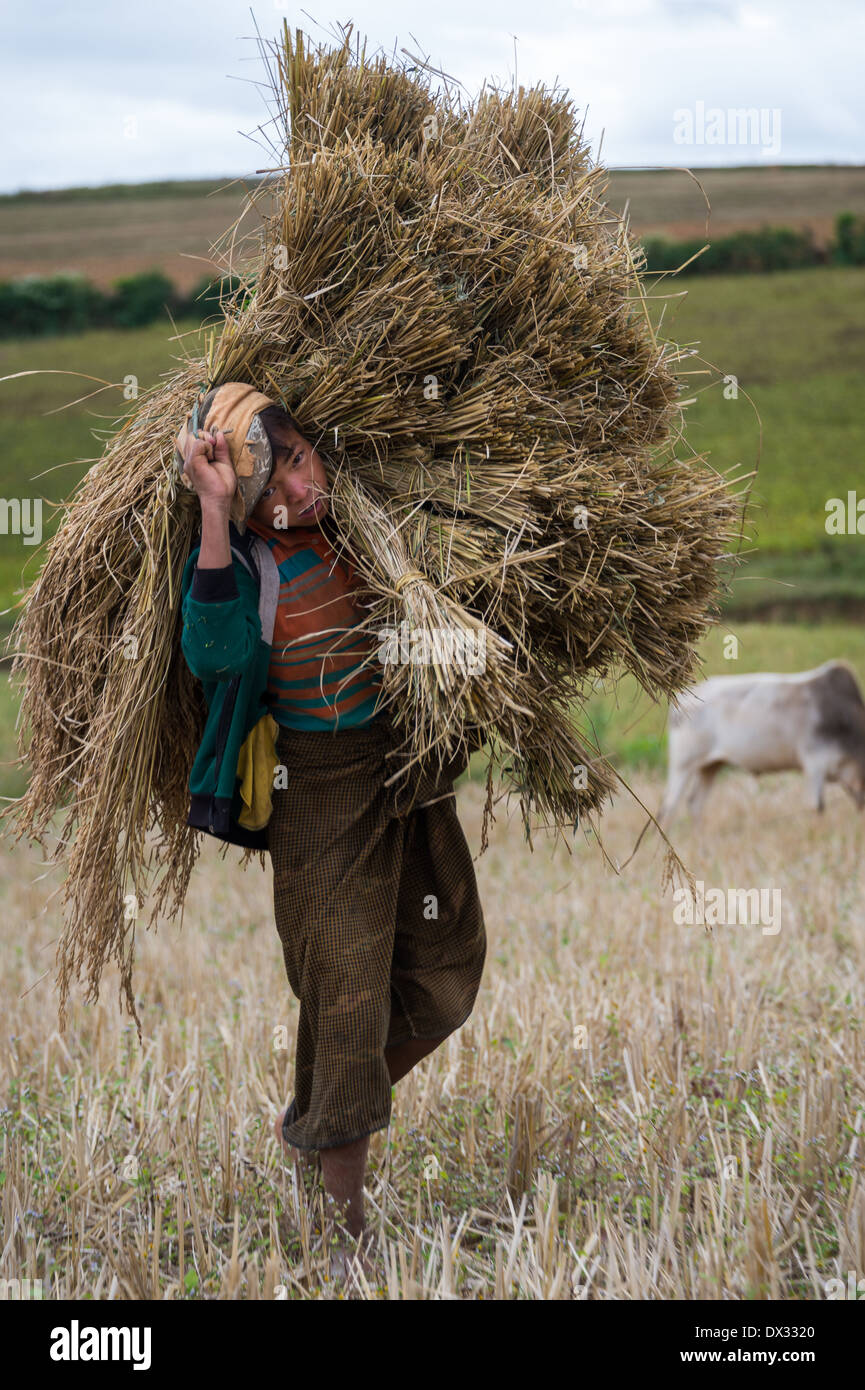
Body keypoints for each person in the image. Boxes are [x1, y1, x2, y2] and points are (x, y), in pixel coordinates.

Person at [177, 384, 487, 1280]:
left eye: (304, 458)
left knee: (447, 972)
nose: (301, 488)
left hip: (405, 772)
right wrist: (211, 506)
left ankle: (314, 1120)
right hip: (315, 791)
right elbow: (218, 657)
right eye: (275, 482)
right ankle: (341, 1226)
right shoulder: (246, 564)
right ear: (245, 499)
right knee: (346, 997)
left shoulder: (372, 529)